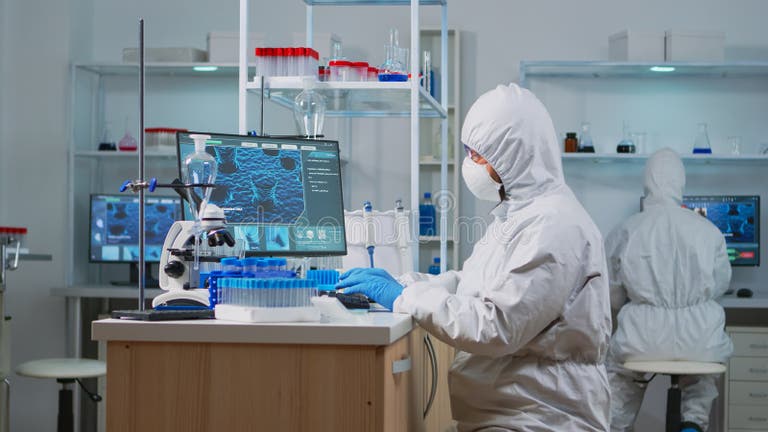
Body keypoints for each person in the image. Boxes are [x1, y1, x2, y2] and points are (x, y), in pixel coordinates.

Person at [337, 83, 611, 431]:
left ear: (513, 156)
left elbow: (495, 325)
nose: (471, 165)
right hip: (511, 410)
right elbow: (471, 283)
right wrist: (407, 283)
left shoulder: (555, 226)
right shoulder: (520, 214)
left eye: (478, 155)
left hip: (541, 417)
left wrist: (406, 298)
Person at [605, 148, 733, 432]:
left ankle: (614, 425)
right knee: (701, 377)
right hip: (700, 336)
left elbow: (612, 295)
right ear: (681, 183)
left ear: (647, 182)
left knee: (622, 377)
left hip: (641, 338)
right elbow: (721, 284)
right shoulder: (708, 231)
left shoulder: (626, 229)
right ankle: (692, 424)